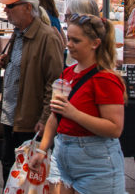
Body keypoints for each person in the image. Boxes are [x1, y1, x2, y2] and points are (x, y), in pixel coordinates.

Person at [37, 13, 125, 194]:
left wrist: (74, 113)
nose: (68, 44)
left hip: (95, 161)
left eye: (75, 41)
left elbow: (114, 128)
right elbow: (55, 116)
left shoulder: (105, 79)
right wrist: (42, 150)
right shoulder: (67, 73)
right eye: (69, 39)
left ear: (95, 43)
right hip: (62, 155)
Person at [0, 0, 65, 183]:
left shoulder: (47, 37)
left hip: (29, 120)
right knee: (9, 165)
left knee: (28, 172)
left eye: (11, 6)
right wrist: (4, 60)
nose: (6, 10)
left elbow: (55, 82)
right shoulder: (19, 33)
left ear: (27, 7)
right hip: (11, 115)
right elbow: (24, 64)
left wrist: (45, 118)